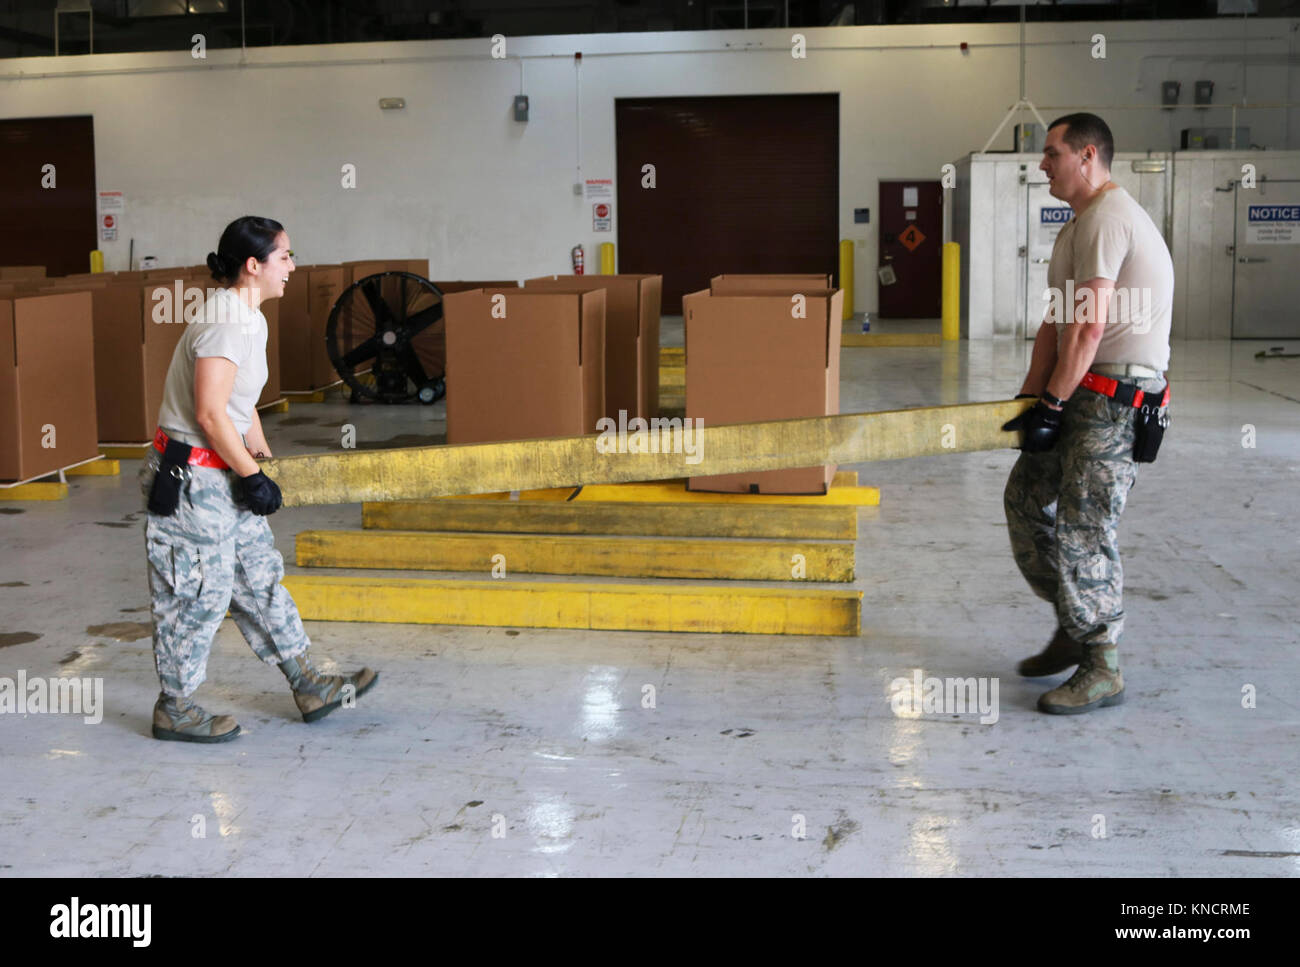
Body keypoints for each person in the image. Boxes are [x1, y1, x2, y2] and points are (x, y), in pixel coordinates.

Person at [139, 216, 378, 742]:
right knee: (198, 592)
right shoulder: (226, 320)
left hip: (224, 472)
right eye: (285, 256)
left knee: (257, 576)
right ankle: (174, 708)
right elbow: (207, 412)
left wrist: (259, 457)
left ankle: (307, 682)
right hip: (191, 482)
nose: (292, 266)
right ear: (254, 265)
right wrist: (251, 477)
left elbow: (237, 404)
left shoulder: (252, 317)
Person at [1002, 113, 1173, 715]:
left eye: (1052, 153)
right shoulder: (1076, 227)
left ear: (1088, 155)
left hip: (1116, 401)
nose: (1042, 163)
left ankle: (1103, 663)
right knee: (1025, 499)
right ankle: (1075, 623)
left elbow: (1091, 325)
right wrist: (1030, 402)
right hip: (1082, 394)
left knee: (1083, 528)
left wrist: (1053, 401)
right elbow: (1056, 320)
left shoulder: (1107, 218)